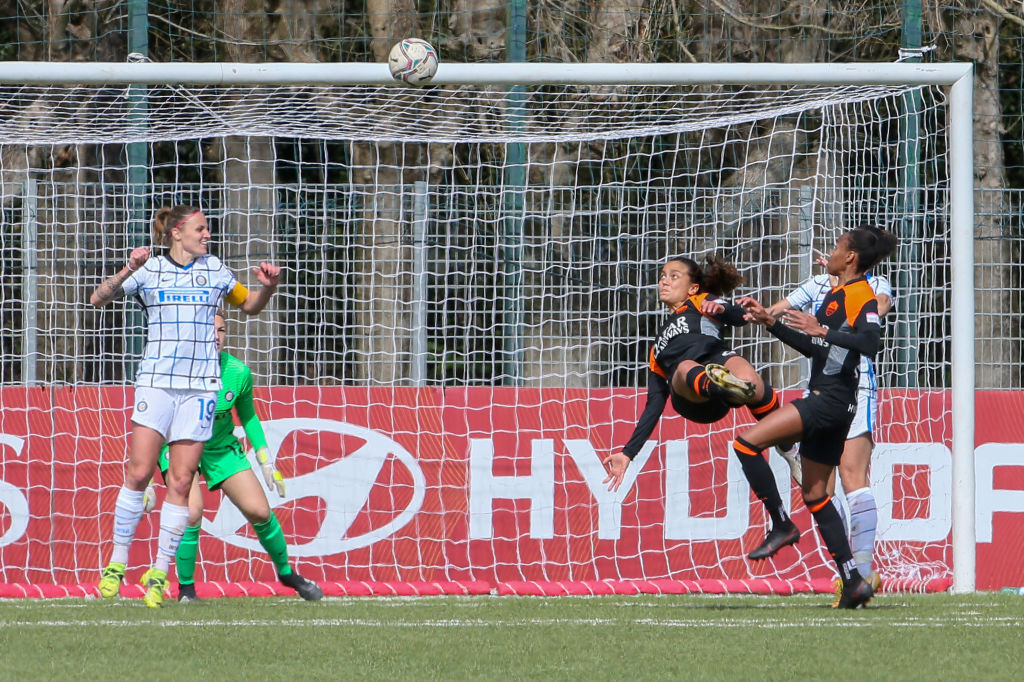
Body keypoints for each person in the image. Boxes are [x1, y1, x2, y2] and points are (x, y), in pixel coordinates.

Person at [90, 205, 281, 608]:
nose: (207, 234)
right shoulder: (152, 270)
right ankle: (116, 563)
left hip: (199, 391)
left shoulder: (216, 270)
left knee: (180, 483)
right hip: (157, 384)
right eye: (200, 228)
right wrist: (128, 268)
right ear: (177, 233)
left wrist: (266, 287)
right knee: (139, 471)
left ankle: (160, 573)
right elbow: (97, 298)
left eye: (207, 229)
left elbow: (249, 307)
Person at [735, 223, 898, 609]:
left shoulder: (862, 294)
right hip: (833, 401)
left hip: (829, 401)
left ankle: (781, 523)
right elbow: (817, 352)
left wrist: (823, 330)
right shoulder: (835, 295)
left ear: (851, 256)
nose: (833, 252)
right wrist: (771, 321)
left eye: (838, 246)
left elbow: (870, 343)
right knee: (815, 494)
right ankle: (853, 581)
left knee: (746, 443)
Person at [603, 255, 800, 561]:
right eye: (663, 275)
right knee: (683, 366)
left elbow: (739, 316)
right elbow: (655, 403)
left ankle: (782, 504)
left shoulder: (702, 303)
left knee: (750, 378)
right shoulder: (657, 350)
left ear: (693, 287)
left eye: (674, 275)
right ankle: (722, 386)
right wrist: (628, 452)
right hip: (692, 397)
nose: (665, 280)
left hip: (718, 363)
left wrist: (722, 307)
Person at [143, 312, 322, 602]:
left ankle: (287, 573)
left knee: (260, 512)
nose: (216, 336)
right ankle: (186, 589)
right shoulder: (175, 370)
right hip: (179, 445)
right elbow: (154, 423)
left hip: (221, 448)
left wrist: (265, 460)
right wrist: (148, 478)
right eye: (209, 329)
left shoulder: (238, 373)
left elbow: (249, 417)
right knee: (192, 512)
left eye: (221, 330)